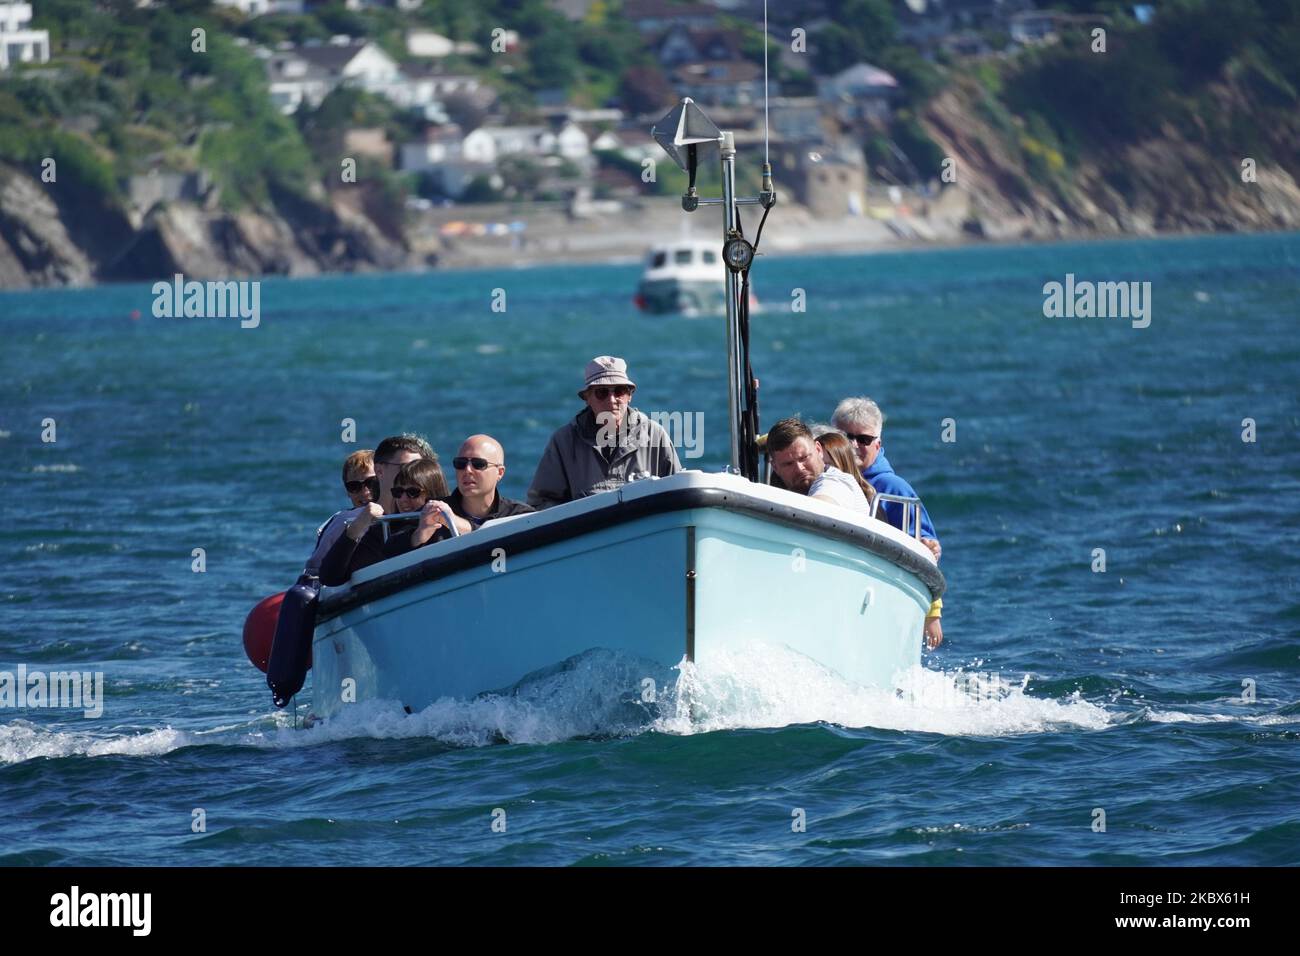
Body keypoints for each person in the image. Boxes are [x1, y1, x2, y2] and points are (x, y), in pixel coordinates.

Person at [831, 397, 944, 650]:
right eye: (845, 436)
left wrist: (933, 614)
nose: (853, 445)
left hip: (878, 596)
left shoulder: (893, 488)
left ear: (878, 443)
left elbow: (927, 552)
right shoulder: (821, 476)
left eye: (863, 439)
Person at [527, 355, 682, 509]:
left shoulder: (654, 434)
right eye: (602, 392)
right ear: (587, 398)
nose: (612, 399)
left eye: (619, 391)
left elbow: (677, 490)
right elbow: (541, 503)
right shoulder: (564, 442)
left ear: (629, 396)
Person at [317, 434, 439, 585]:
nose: (413, 473)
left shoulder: (438, 511)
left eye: (419, 467)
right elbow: (328, 577)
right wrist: (356, 529)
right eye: (405, 467)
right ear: (379, 471)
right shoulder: (363, 524)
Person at [421, 434, 533, 538]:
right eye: (461, 463)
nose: (467, 470)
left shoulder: (521, 516)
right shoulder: (432, 512)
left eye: (478, 464)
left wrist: (455, 522)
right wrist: (419, 537)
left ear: (500, 473)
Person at [766, 418, 872, 515]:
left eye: (804, 457)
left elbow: (817, 510)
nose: (799, 468)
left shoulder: (837, 481)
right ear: (775, 468)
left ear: (818, 450)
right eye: (788, 464)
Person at [303, 449, 377, 578]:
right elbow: (315, 567)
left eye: (371, 483)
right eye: (354, 486)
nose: (365, 492)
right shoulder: (343, 520)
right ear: (347, 491)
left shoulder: (399, 511)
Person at [381, 458, 454, 558]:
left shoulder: (456, 519)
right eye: (398, 492)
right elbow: (387, 554)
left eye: (413, 492)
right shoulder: (384, 528)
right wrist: (418, 536)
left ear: (433, 492)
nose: (403, 499)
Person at [815, 431, 880, 513]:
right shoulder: (864, 493)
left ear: (844, 462)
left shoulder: (837, 483)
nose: (821, 469)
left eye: (827, 465)